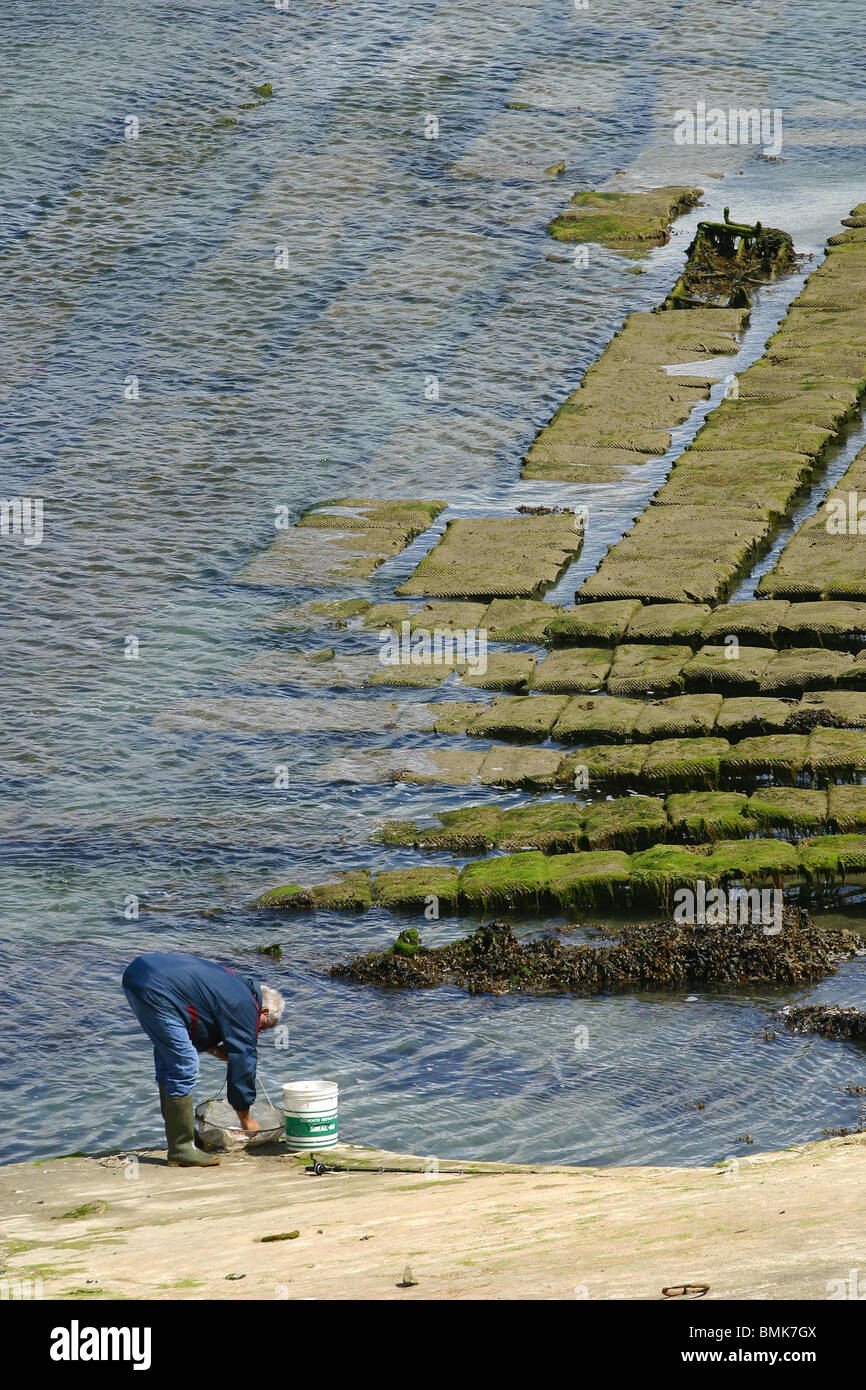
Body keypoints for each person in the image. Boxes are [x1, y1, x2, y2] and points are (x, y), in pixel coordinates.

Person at [122, 951, 285, 1167]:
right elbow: (244, 1063)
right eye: (262, 1027)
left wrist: (218, 1052)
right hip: (158, 989)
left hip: (139, 973)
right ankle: (181, 1149)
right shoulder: (246, 1006)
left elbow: (197, 1018)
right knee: (185, 1065)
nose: (257, 1031)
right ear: (263, 1011)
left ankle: (185, 1137)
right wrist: (246, 1120)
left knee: (168, 1060)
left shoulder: (236, 988)